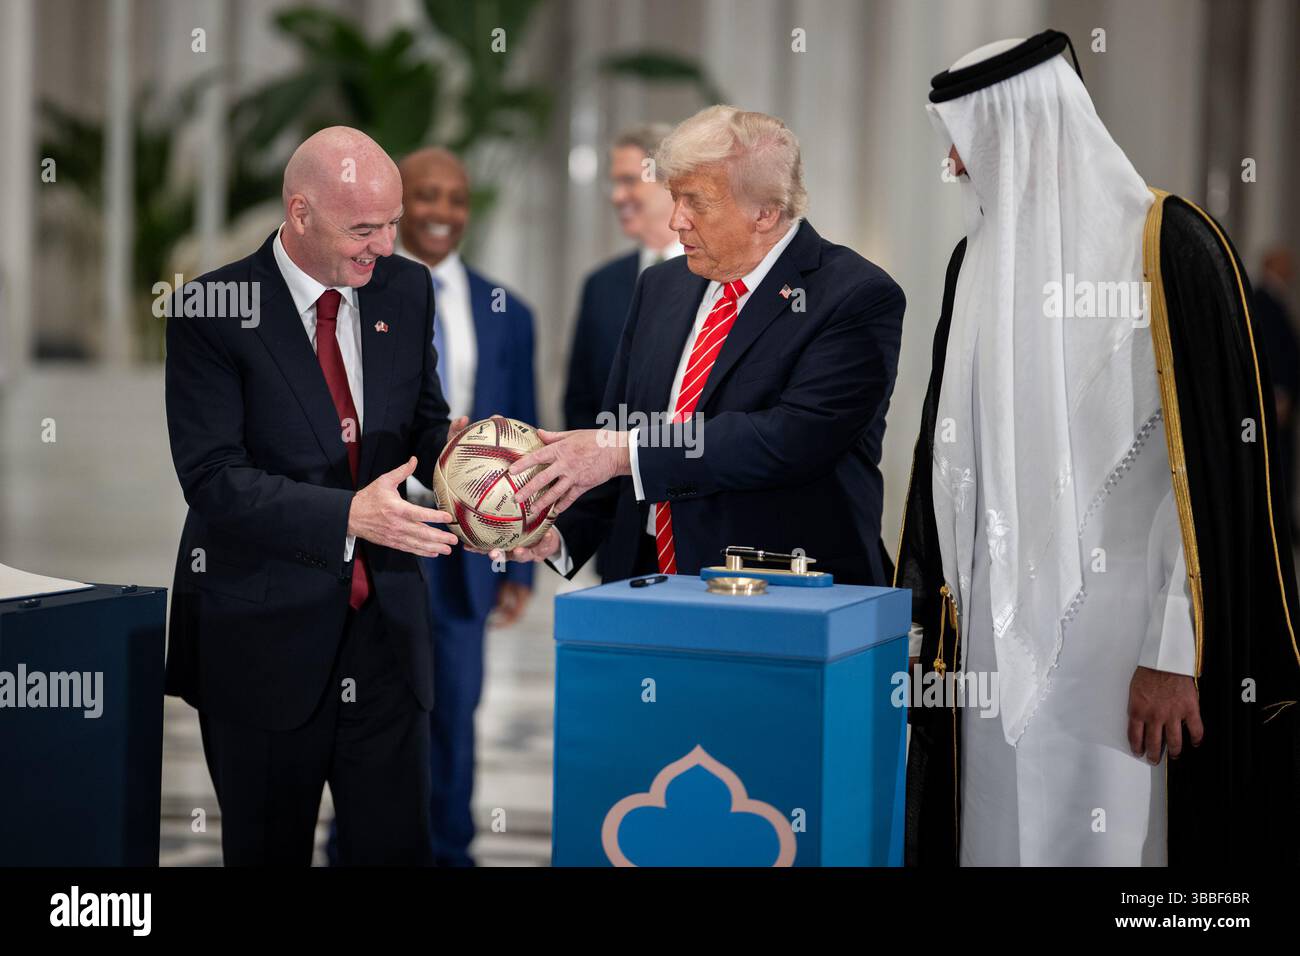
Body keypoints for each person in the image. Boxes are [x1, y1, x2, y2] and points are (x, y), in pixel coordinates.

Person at [896, 31, 1300, 866]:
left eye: (966, 144)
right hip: (988, 657)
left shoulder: (1168, 245)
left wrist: (1174, 656)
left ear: (1020, 129)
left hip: (1123, 656)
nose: (956, 167)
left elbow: (1209, 486)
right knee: (994, 836)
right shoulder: (972, 265)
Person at [164, 126, 467, 866]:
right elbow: (213, 477)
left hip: (388, 633)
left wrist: (479, 464)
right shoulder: (213, 309)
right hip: (262, 638)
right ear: (299, 213)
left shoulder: (405, 286)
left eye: (391, 223)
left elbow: (422, 423)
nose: (387, 245)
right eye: (364, 228)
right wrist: (348, 515)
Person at [494, 105, 906, 587]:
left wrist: (623, 451)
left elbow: (789, 440)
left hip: (774, 588)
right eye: (673, 197)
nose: (676, 221)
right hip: (644, 575)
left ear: (765, 212)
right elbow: (616, 425)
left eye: (696, 202)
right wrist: (560, 533)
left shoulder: (854, 295)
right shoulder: (660, 285)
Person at [397, 146, 538, 866]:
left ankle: (450, 851)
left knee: (456, 710)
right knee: (370, 716)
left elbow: (525, 435)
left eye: (455, 199)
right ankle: (354, 848)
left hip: (468, 550)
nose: (441, 212)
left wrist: (521, 565)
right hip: (380, 542)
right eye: (426, 195)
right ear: (398, 203)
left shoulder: (508, 311)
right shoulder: (358, 296)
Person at [563, 122, 682, 433]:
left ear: (671, 182)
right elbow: (579, 402)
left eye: (629, 181)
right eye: (614, 183)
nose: (617, 196)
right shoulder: (600, 285)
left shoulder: (719, 277)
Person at [1252, 247, 1299, 526]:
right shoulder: (1263, 300)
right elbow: (1269, 349)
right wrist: (1279, 392)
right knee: (1275, 460)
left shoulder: (1277, 298)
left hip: (1284, 399)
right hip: (1275, 398)